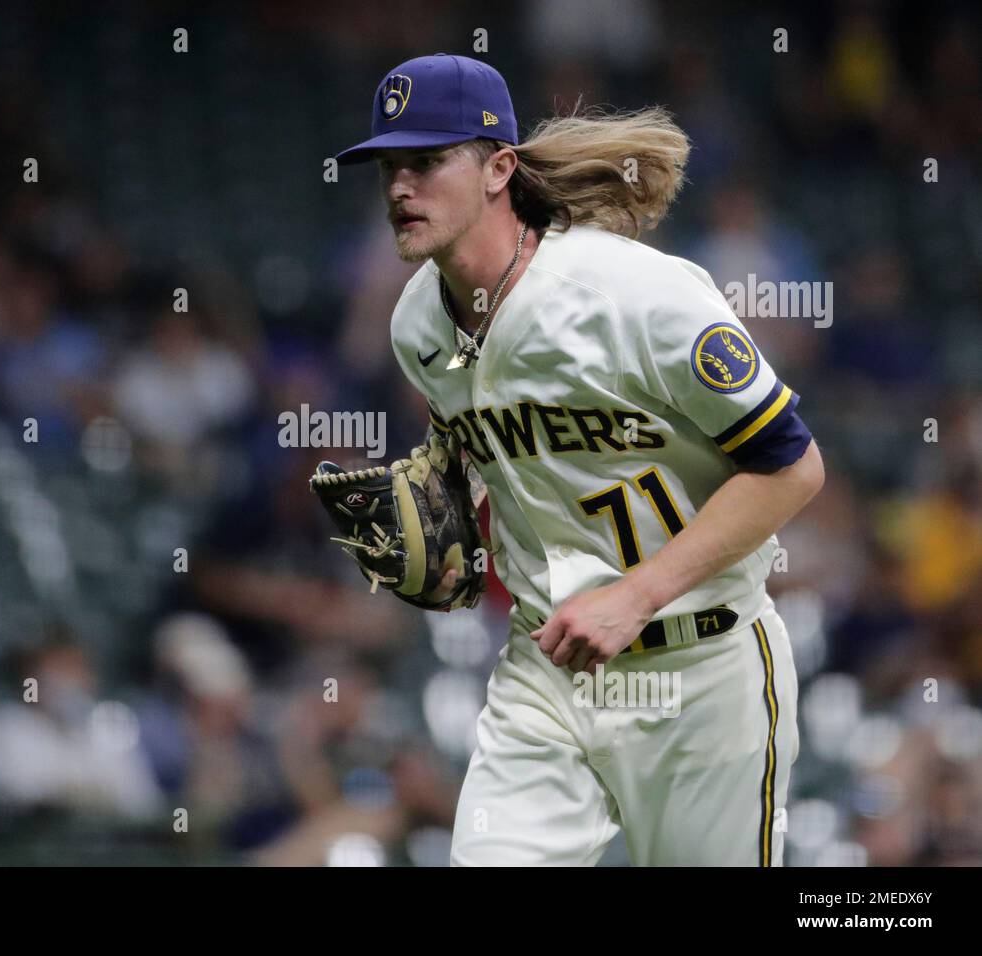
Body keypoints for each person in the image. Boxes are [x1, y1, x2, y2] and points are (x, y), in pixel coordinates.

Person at [333, 53, 825, 865]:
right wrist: (451, 519)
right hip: (545, 671)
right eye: (389, 165)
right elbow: (495, 470)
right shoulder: (416, 326)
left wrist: (635, 595)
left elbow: (793, 468)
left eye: (425, 162)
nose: (398, 187)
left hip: (701, 668)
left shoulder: (633, 294)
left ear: (499, 168)